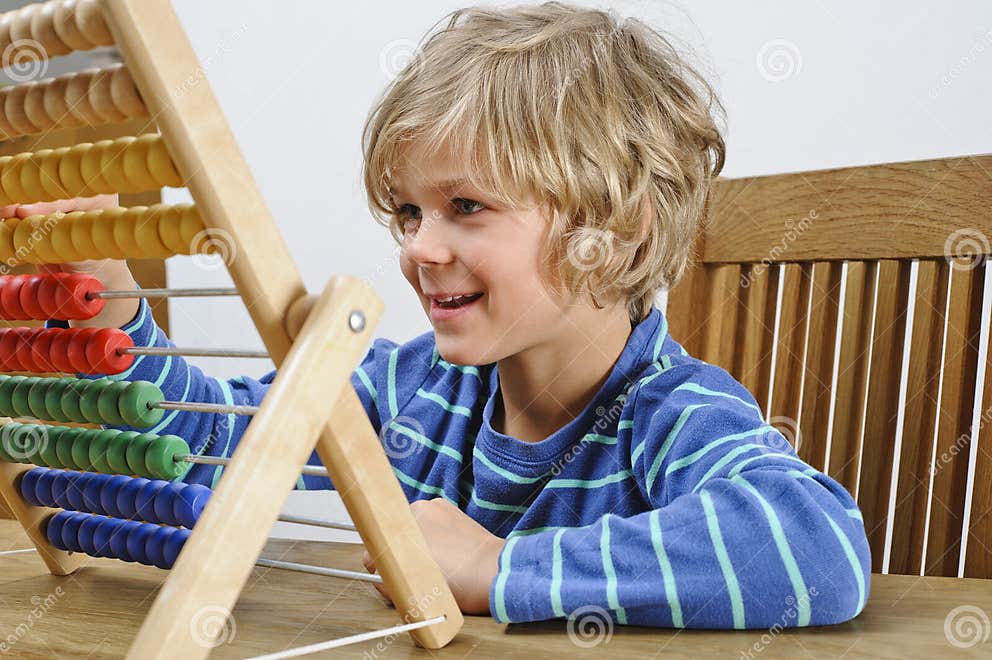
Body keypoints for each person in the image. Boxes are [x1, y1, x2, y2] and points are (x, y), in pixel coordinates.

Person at [20, 1, 868, 630]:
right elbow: (206, 446)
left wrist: (499, 567)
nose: (419, 248)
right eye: (407, 212)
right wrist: (106, 292)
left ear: (615, 229)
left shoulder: (669, 412)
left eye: (466, 206)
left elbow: (816, 550)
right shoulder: (410, 391)